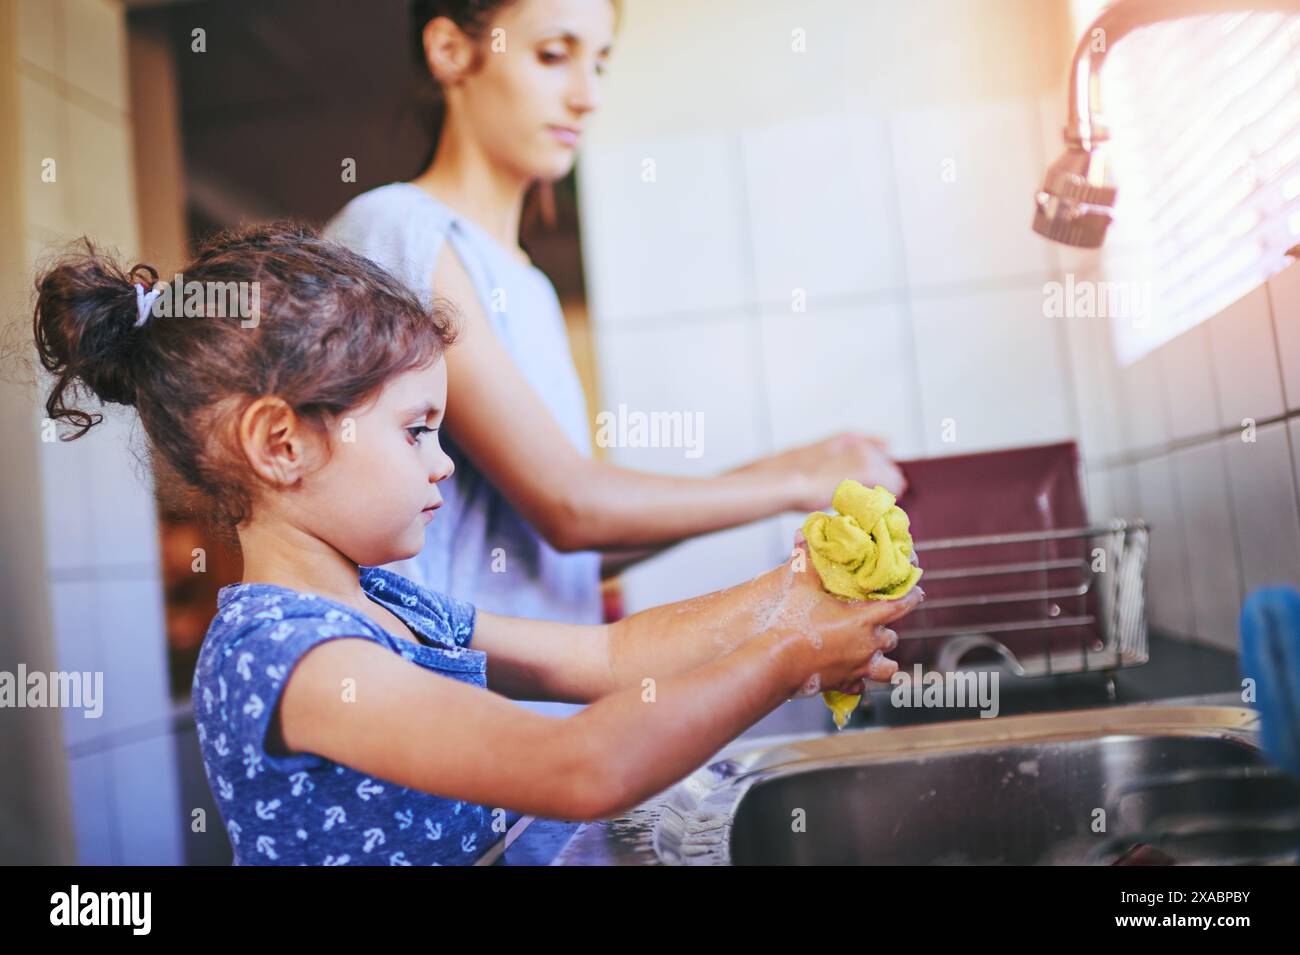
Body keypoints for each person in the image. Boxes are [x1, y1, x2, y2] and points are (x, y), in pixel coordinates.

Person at [30, 222, 921, 864]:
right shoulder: (291, 660)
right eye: (417, 430)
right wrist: (785, 654)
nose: (445, 466)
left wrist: (793, 590)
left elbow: (606, 656)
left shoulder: (384, 599)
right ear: (281, 443)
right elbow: (579, 763)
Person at [324, 0, 906, 629]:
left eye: (600, 64)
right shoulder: (397, 230)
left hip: (551, 717)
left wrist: (790, 466)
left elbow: (570, 546)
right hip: (464, 716)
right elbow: (571, 508)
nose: (587, 96)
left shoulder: (530, 286)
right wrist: (796, 479)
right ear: (450, 52)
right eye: (553, 55)